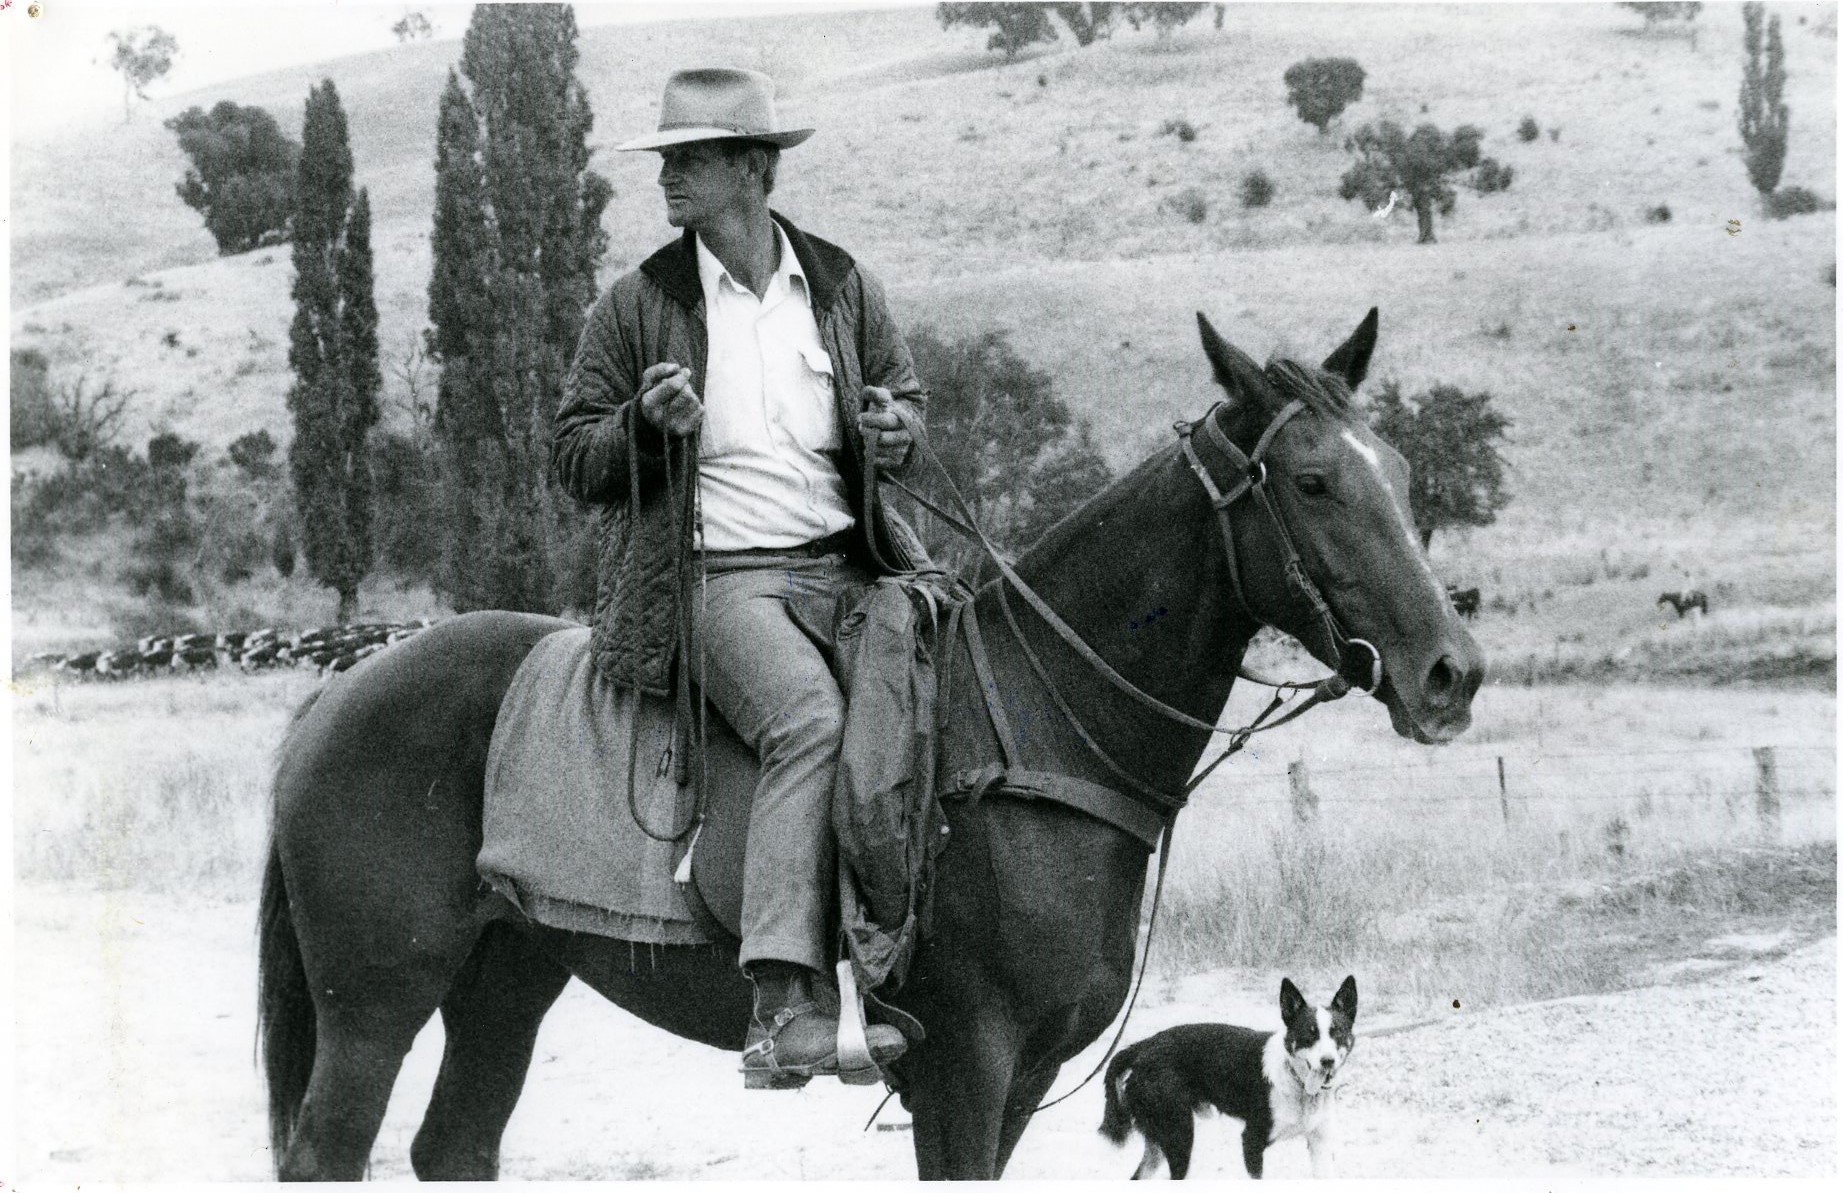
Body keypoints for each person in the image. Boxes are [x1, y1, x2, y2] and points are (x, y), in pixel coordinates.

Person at [552, 67, 927, 1087]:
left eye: (692, 158)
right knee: (809, 722)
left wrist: (898, 429)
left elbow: (905, 400)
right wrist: (641, 426)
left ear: (756, 169)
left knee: (956, 694)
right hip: (719, 581)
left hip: (853, 567)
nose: (666, 176)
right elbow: (574, 456)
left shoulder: (843, 286)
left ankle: (921, 966)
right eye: (667, 158)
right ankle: (782, 1006)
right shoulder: (638, 304)